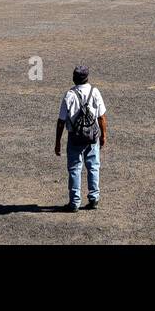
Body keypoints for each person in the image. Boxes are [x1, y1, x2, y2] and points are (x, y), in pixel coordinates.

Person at [55, 65, 107, 212]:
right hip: (92, 137)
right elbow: (102, 117)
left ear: (74, 78)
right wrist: (103, 135)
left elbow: (61, 121)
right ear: (87, 78)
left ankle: (74, 202)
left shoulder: (69, 95)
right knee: (93, 167)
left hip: (75, 137)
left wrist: (58, 142)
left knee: (74, 169)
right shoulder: (95, 92)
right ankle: (94, 198)